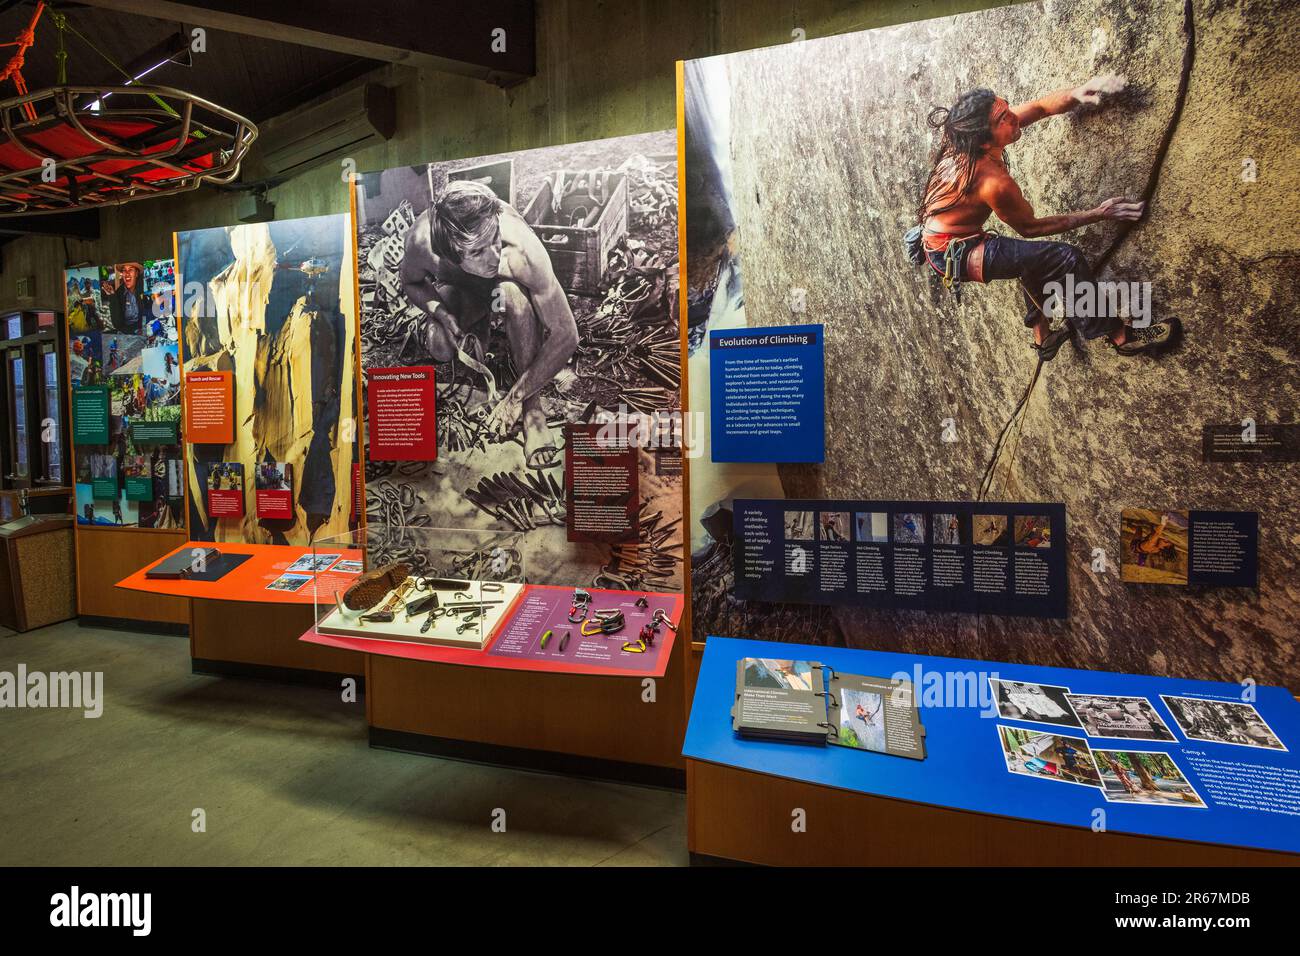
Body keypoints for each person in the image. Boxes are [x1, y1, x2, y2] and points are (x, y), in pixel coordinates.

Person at [915, 77, 1180, 360]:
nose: (1013, 116)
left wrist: (1077, 94)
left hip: (945, 238)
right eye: (1003, 117)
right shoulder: (993, 182)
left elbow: (1041, 107)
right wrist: (1098, 214)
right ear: (983, 138)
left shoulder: (968, 139)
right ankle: (1121, 337)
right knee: (1064, 259)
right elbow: (1030, 228)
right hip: (955, 252)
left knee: (1030, 261)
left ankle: (1043, 336)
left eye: (1006, 108)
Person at [401, 180, 580, 464]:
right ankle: (481, 319)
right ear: (449, 252)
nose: (494, 256)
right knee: (439, 345)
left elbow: (567, 334)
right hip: (465, 288)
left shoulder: (521, 250)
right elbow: (411, 283)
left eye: (494, 239)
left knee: (513, 297)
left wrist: (515, 399)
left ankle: (533, 410)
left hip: (505, 289)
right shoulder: (422, 242)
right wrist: (441, 313)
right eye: (477, 251)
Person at [102, 263, 150, 334]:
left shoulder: (141, 289)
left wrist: (143, 328)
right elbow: (117, 323)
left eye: (130, 270)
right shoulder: (118, 293)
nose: (127, 274)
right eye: (124, 270)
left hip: (142, 328)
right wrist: (112, 296)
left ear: (136, 274)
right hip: (127, 331)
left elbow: (146, 311)